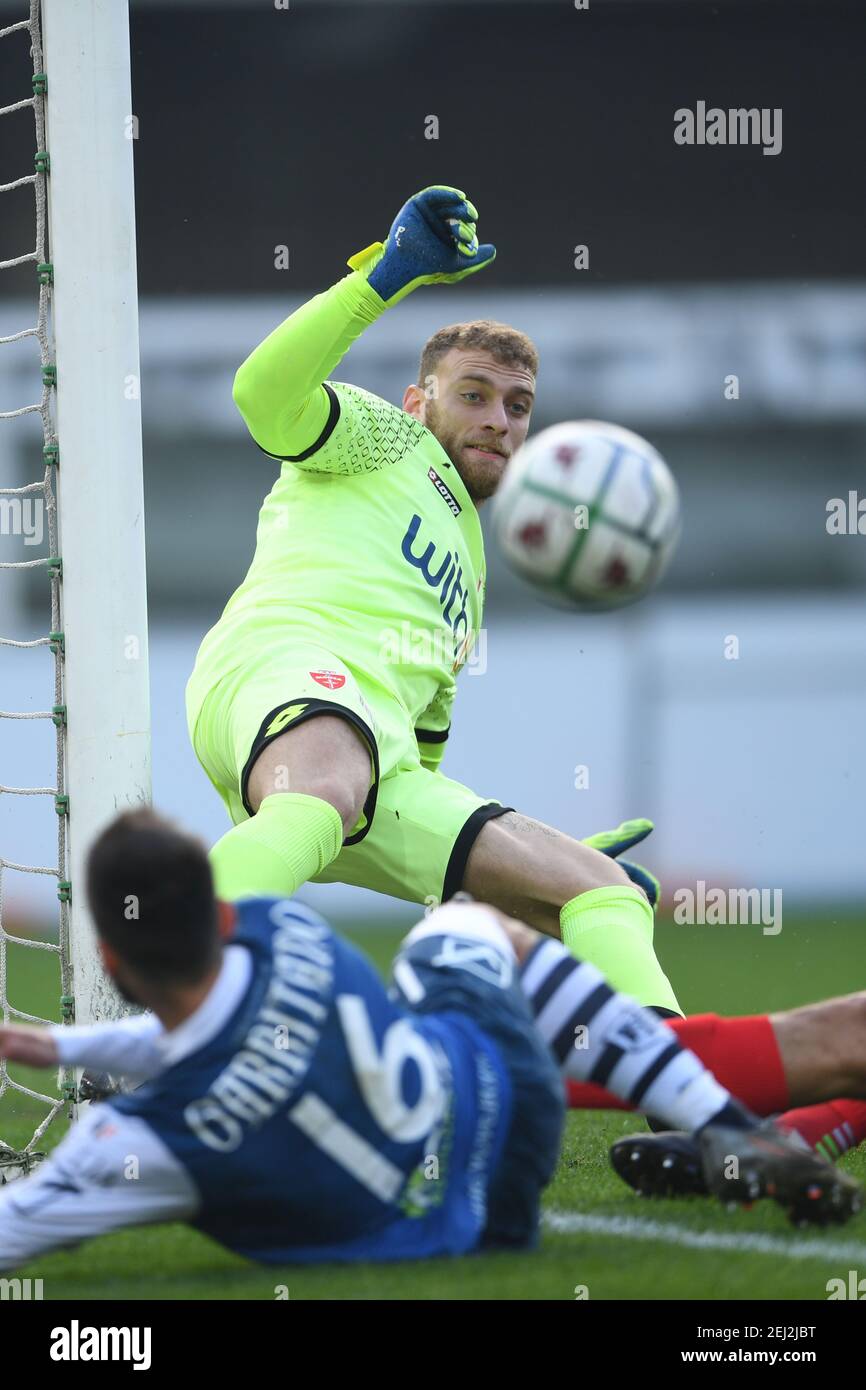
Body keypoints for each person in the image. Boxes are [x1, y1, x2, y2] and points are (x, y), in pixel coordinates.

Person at [185, 184, 680, 1020]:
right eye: (475, 394)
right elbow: (260, 395)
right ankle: (170, 1004)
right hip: (276, 670)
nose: (499, 421)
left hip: (367, 757)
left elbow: (417, 774)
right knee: (331, 785)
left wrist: (499, 870)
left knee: (596, 891)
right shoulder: (386, 437)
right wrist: (386, 277)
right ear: (422, 401)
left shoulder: (471, 570)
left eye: (518, 406)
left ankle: (698, 1097)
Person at [0, 808, 855, 1272]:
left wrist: (82, 1052)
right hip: (503, 1092)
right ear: (220, 913)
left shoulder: (138, 1145)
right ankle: (721, 1121)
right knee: (462, 927)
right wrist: (74, 1049)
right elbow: (226, 1023)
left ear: (110, 955)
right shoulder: (276, 929)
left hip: (472, 1225)